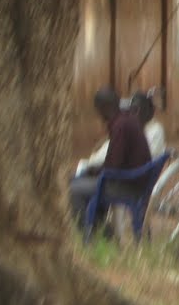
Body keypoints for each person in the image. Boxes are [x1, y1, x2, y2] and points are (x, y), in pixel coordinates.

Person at [69, 86, 152, 229]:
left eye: (98, 109)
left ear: (104, 107)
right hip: (135, 180)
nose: (99, 115)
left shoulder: (120, 125)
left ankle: (91, 234)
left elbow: (113, 166)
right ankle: (100, 227)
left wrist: (96, 171)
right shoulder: (127, 119)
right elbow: (115, 161)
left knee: (73, 189)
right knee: (80, 178)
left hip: (129, 186)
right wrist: (95, 170)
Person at [76, 87, 165, 176]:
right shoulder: (132, 124)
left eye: (135, 110)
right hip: (134, 175)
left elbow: (115, 164)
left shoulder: (125, 125)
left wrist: (96, 169)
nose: (133, 113)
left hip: (130, 178)